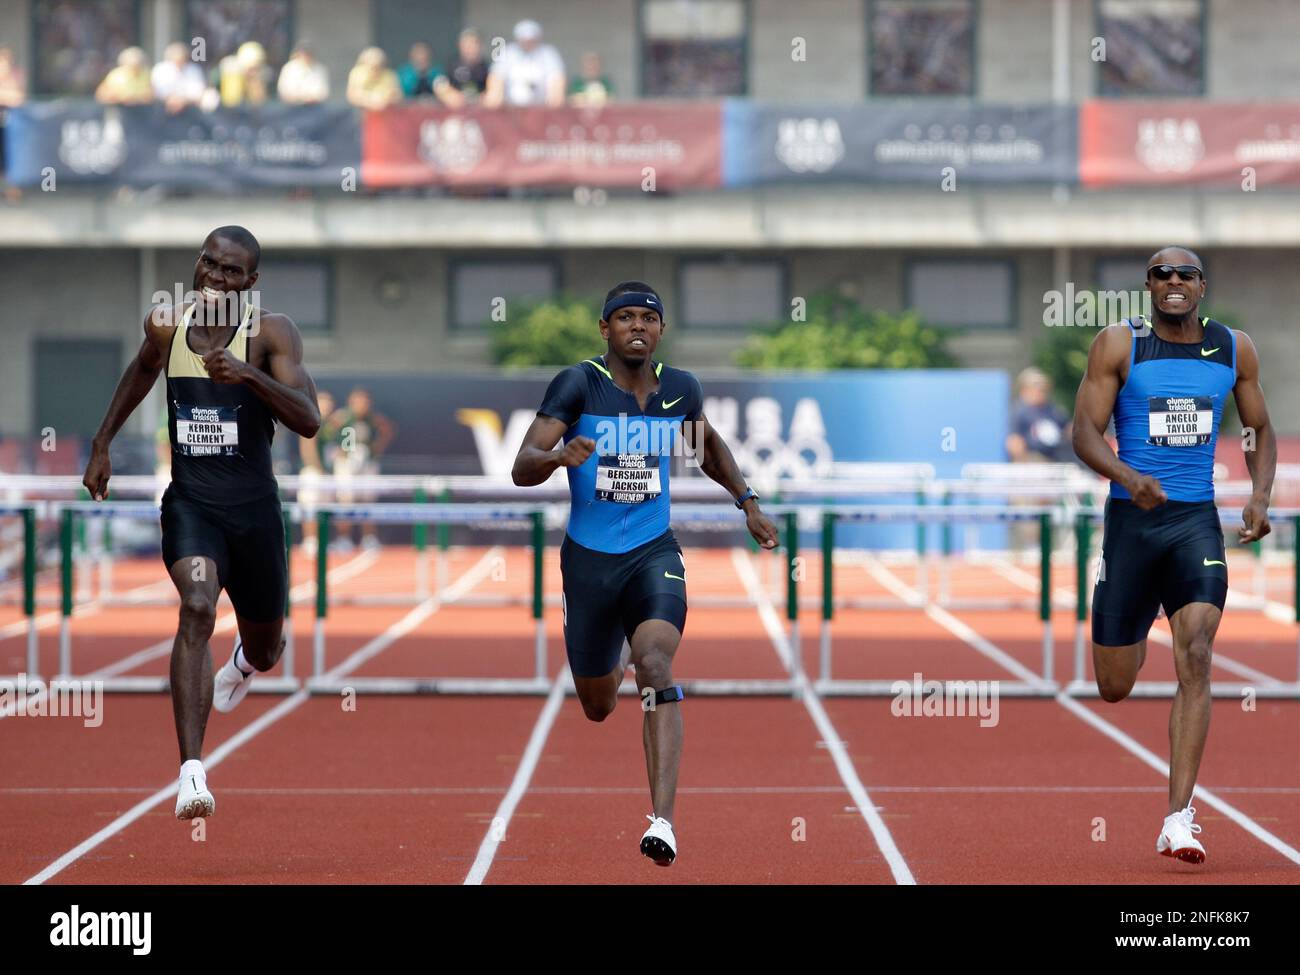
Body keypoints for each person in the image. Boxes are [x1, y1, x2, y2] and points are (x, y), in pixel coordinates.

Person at [511, 281, 778, 866]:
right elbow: (522, 466)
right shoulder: (578, 383)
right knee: (599, 705)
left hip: (654, 553)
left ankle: (663, 820)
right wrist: (559, 457)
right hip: (588, 563)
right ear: (604, 329)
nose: (638, 326)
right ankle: (616, 647)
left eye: (648, 318)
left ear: (661, 330)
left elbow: (706, 448)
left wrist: (748, 503)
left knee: (656, 662)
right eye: (624, 317)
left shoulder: (680, 389)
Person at [82, 226, 321, 821]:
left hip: (255, 513)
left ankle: (243, 662)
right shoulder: (166, 323)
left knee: (268, 649)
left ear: (251, 282)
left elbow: (311, 420)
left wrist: (249, 376)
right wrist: (102, 444)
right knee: (196, 604)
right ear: (198, 264)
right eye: (210, 265)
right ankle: (191, 771)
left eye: (232, 272)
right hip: (192, 505)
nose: (216, 277)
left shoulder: (271, 332)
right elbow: (141, 373)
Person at [1071, 246, 1275, 864]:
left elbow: (1257, 428)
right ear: (1149, 286)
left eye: (1185, 273)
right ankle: (1135, 616)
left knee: (1197, 652)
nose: (1174, 282)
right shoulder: (1117, 345)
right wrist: (1128, 477)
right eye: (1162, 274)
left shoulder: (1234, 348)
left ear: (1202, 285)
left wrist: (1259, 494)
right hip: (1132, 523)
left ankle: (1178, 818)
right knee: (1114, 685)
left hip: (1193, 522)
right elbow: (1083, 431)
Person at [328, 387, 394, 551]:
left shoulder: (373, 419)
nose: (361, 405)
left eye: (364, 402)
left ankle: (369, 538)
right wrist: (337, 449)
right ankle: (343, 538)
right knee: (345, 501)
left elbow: (388, 429)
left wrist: (377, 448)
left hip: (367, 463)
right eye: (357, 401)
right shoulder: (341, 417)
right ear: (351, 402)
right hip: (346, 463)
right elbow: (326, 432)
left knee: (368, 501)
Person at [484, 19, 565, 108]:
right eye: (524, 39)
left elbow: (557, 80)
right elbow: (496, 78)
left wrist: (555, 101)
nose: (527, 42)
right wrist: (494, 98)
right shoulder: (507, 52)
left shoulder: (548, 54)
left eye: (531, 39)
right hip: (510, 110)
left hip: (541, 110)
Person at [1006, 367, 1072, 462]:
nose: (1042, 392)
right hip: (1032, 461)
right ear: (1025, 390)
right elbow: (1014, 442)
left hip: (1057, 458)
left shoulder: (1053, 410)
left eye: (1044, 388)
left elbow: (1069, 429)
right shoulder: (1019, 412)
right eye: (1037, 387)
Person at [434, 29, 489, 107]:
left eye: (473, 44)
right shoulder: (452, 65)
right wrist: (449, 94)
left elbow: (492, 90)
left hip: (481, 111)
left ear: (479, 46)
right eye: (466, 45)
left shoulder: (487, 67)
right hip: (455, 111)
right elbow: (439, 83)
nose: (469, 48)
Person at [151, 42, 206, 113]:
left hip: (190, 105)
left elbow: (198, 91)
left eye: (182, 59)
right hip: (163, 105)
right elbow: (158, 91)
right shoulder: (160, 69)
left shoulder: (194, 69)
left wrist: (183, 100)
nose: (179, 62)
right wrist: (171, 99)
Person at [217, 41, 270, 108]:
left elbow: (259, 103)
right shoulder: (233, 75)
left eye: (257, 68)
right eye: (252, 69)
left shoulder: (260, 77)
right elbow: (232, 103)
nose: (254, 72)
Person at [277, 40, 329, 105]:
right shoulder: (288, 68)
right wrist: (300, 98)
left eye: (309, 53)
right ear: (298, 53)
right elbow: (283, 92)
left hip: (314, 109)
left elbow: (323, 94)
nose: (306, 56)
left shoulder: (320, 69)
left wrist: (308, 98)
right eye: (304, 53)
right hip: (292, 109)